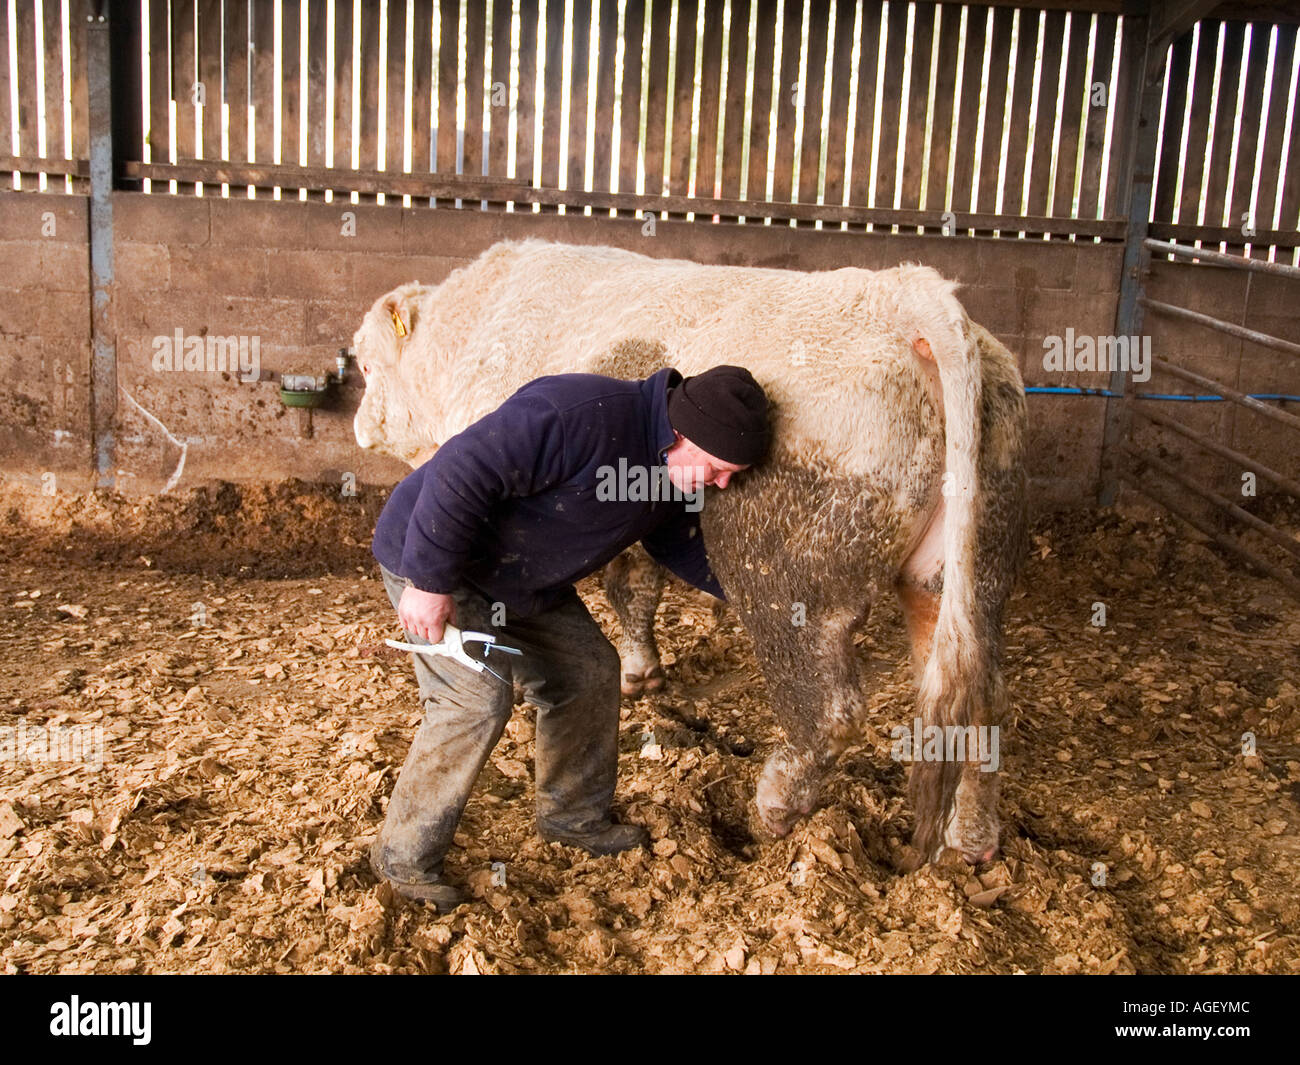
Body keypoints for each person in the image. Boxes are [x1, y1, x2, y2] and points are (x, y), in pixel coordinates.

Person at [367, 364, 771, 909]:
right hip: (441, 559)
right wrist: (429, 579)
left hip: (523, 580)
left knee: (588, 672)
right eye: (720, 469)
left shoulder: (672, 472)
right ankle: (402, 863)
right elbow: (462, 470)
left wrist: (758, 600)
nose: (723, 483)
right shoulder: (577, 413)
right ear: (684, 435)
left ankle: (573, 819)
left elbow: (680, 546)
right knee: (474, 701)